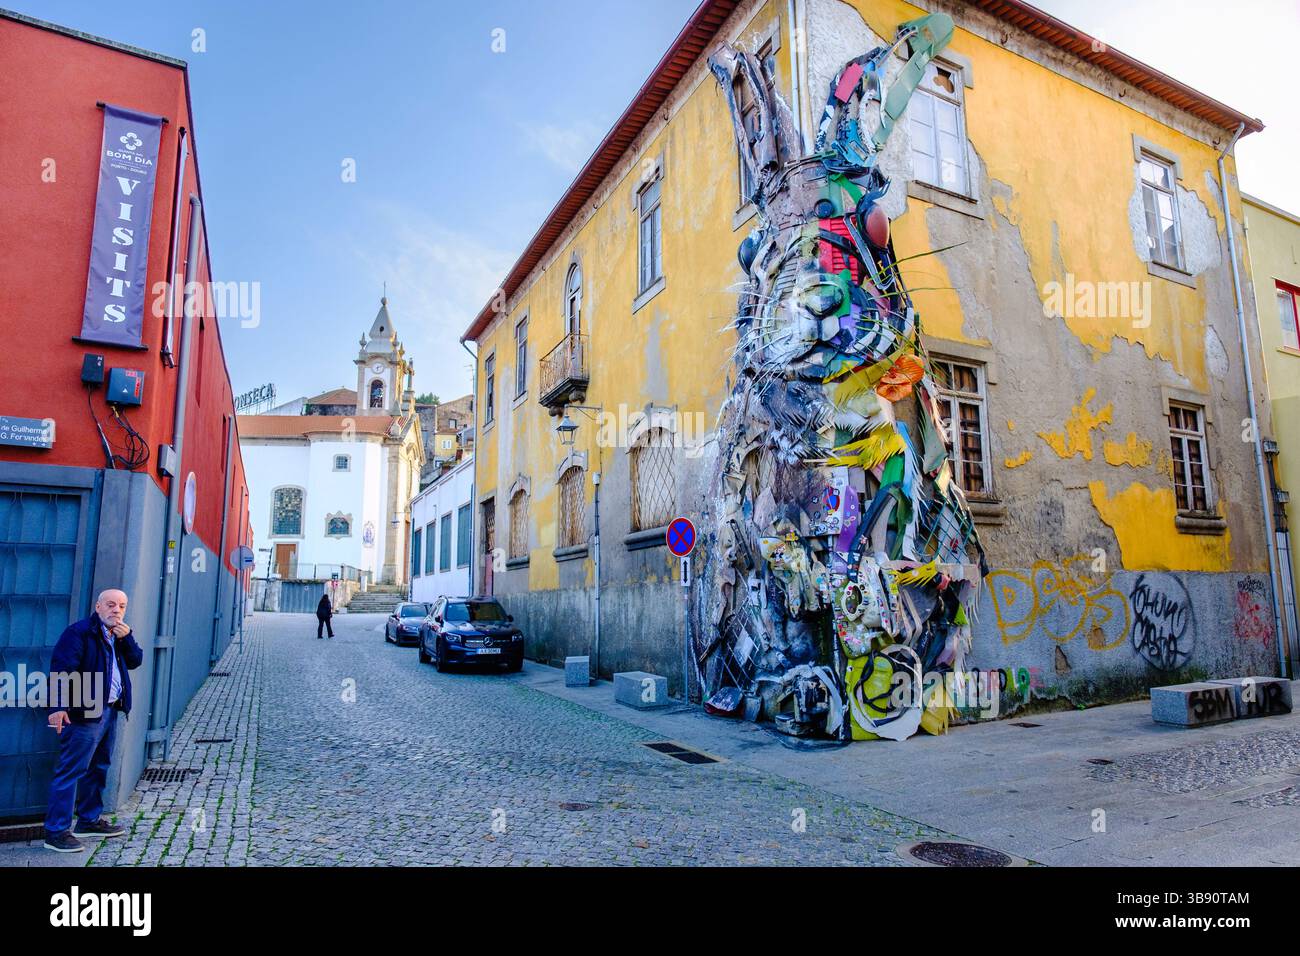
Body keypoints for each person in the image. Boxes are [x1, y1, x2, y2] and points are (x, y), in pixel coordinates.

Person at [43, 588, 144, 853]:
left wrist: (128, 638)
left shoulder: (118, 635)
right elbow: (60, 670)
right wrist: (58, 707)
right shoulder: (79, 633)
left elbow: (135, 661)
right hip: (84, 713)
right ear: (98, 607)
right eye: (110, 605)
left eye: (122, 606)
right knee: (71, 770)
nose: (116, 610)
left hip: (109, 711)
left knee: (98, 767)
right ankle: (55, 832)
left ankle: (88, 821)